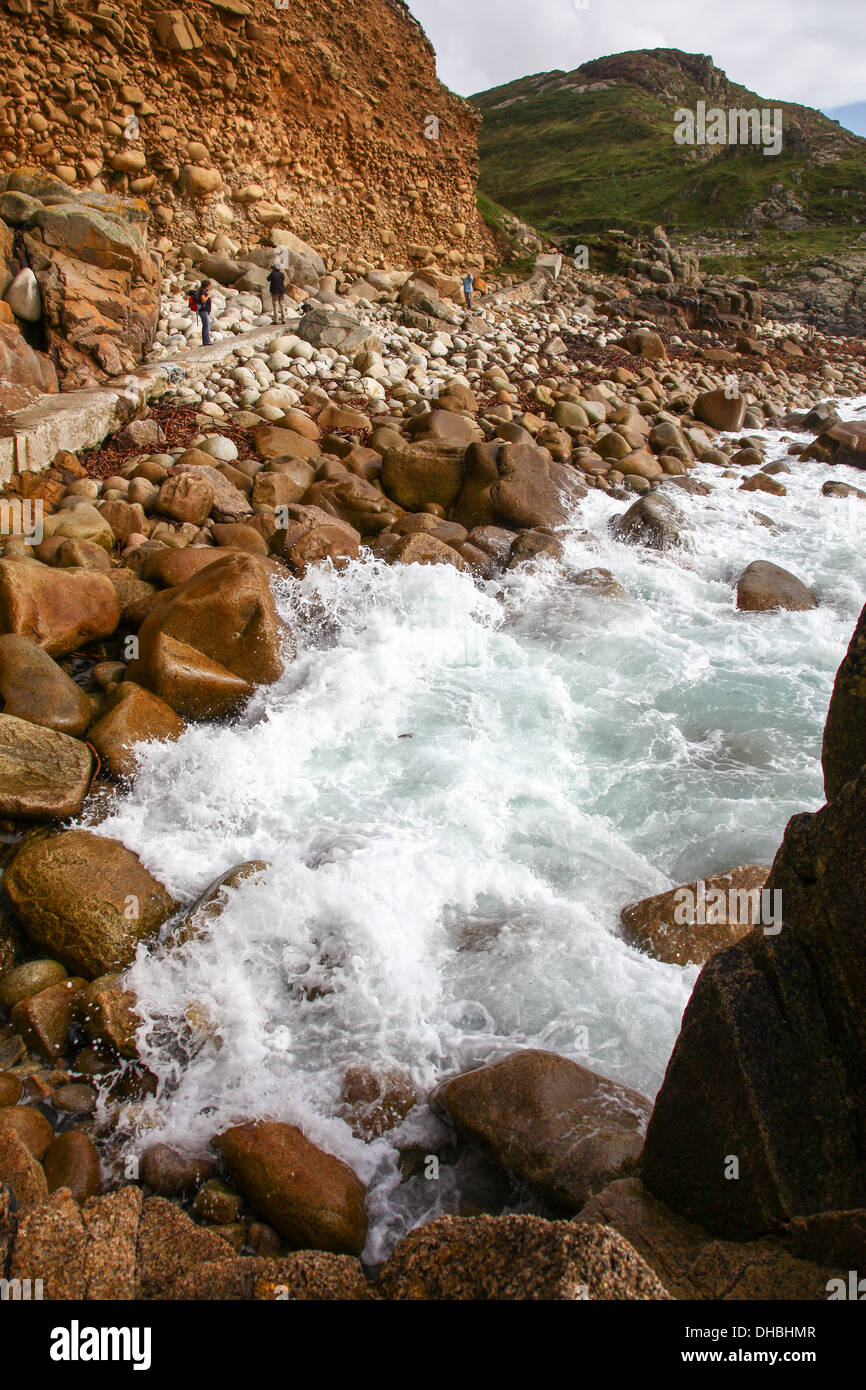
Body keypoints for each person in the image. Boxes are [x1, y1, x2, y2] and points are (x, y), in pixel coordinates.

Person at [189, 280, 212, 345]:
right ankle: (206, 341)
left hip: (203, 311)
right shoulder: (204, 291)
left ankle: (206, 341)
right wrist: (208, 296)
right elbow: (203, 300)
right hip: (203, 311)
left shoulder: (202, 291)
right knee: (206, 325)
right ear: (207, 285)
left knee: (206, 325)